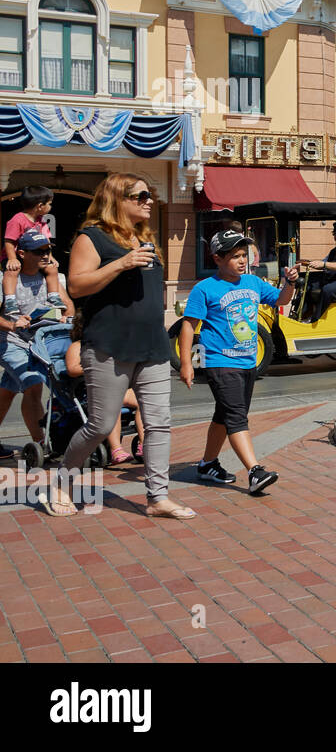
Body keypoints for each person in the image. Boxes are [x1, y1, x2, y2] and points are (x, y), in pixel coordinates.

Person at [48, 173, 192, 519]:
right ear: (117, 200)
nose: (148, 201)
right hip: (108, 344)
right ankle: (62, 481)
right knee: (100, 424)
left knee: (158, 422)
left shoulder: (144, 238)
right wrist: (121, 263)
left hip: (152, 344)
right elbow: (79, 286)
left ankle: (157, 498)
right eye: (140, 195)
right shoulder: (92, 238)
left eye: (149, 194)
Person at [179, 231, 298, 494]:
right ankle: (255, 472)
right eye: (235, 256)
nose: (242, 261)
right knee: (236, 417)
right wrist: (186, 363)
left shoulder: (253, 283)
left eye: (244, 255)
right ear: (218, 259)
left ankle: (207, 464)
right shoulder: (205, 288)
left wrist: (289, 283)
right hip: (220, 361)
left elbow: (281, 299)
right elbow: (188, 325)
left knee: (224, 414)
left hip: (247, 362)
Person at [0, 231, 76, 459]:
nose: (45, 255)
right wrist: (12, 326)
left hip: (39, 343)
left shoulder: (49, 276)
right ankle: (42, 445)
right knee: (33, 385)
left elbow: (69, 309)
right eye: (38, 251)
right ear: (21, 254)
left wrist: (64, 315)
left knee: (8, 391)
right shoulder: (6, 278)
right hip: (10, 341)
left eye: (48, 250)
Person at [65, 312, 139, 466]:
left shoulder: (108, 345)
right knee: (114, 403)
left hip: (115, 385)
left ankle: (144, 444)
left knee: (144, 402)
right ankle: (116, 449)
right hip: (91, 390)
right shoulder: (77, 346)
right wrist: (96, 367)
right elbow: (72, 369)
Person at [3, 185, 66, 317]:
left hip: (33, 255)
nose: (51, 207)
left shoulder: (40, 221)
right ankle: (10, 300)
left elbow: (45, 241)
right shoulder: (17, 220)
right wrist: (12, 258)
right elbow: (9, 241)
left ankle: (53, 297)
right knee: (12, 272)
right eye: (49, 204)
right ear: (40, 206)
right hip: (15, 255)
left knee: (52, 269)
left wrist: (50, 256)